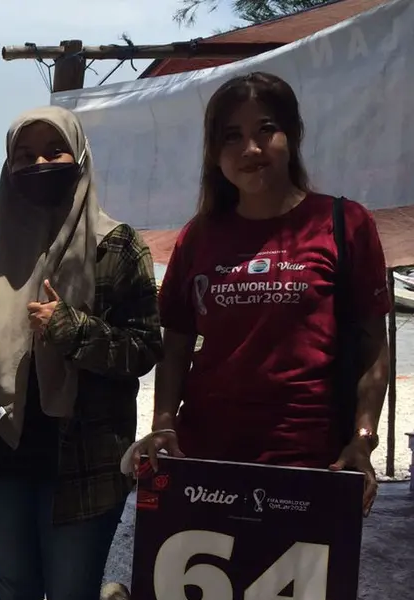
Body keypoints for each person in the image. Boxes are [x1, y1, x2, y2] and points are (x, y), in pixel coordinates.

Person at [0, 105, 161, 600]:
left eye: (53, 151)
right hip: (5, 454)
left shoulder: (118, 246)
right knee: (14, 596)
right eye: (24, 155)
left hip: (86, 461)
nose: (39, 164)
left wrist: (74, 329)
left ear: (79, 158)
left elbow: (145, 348)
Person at [135, 72, 388, 516]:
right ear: (215, 153)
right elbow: (175, 346)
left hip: (311, 461)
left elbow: (373, 346)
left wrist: (363, 438)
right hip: (204, 457)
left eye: (265, 130)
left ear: (293, 135)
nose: (250, 149)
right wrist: (163, 423)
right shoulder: (198, 236)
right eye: (232, 136)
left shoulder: (345, 223)